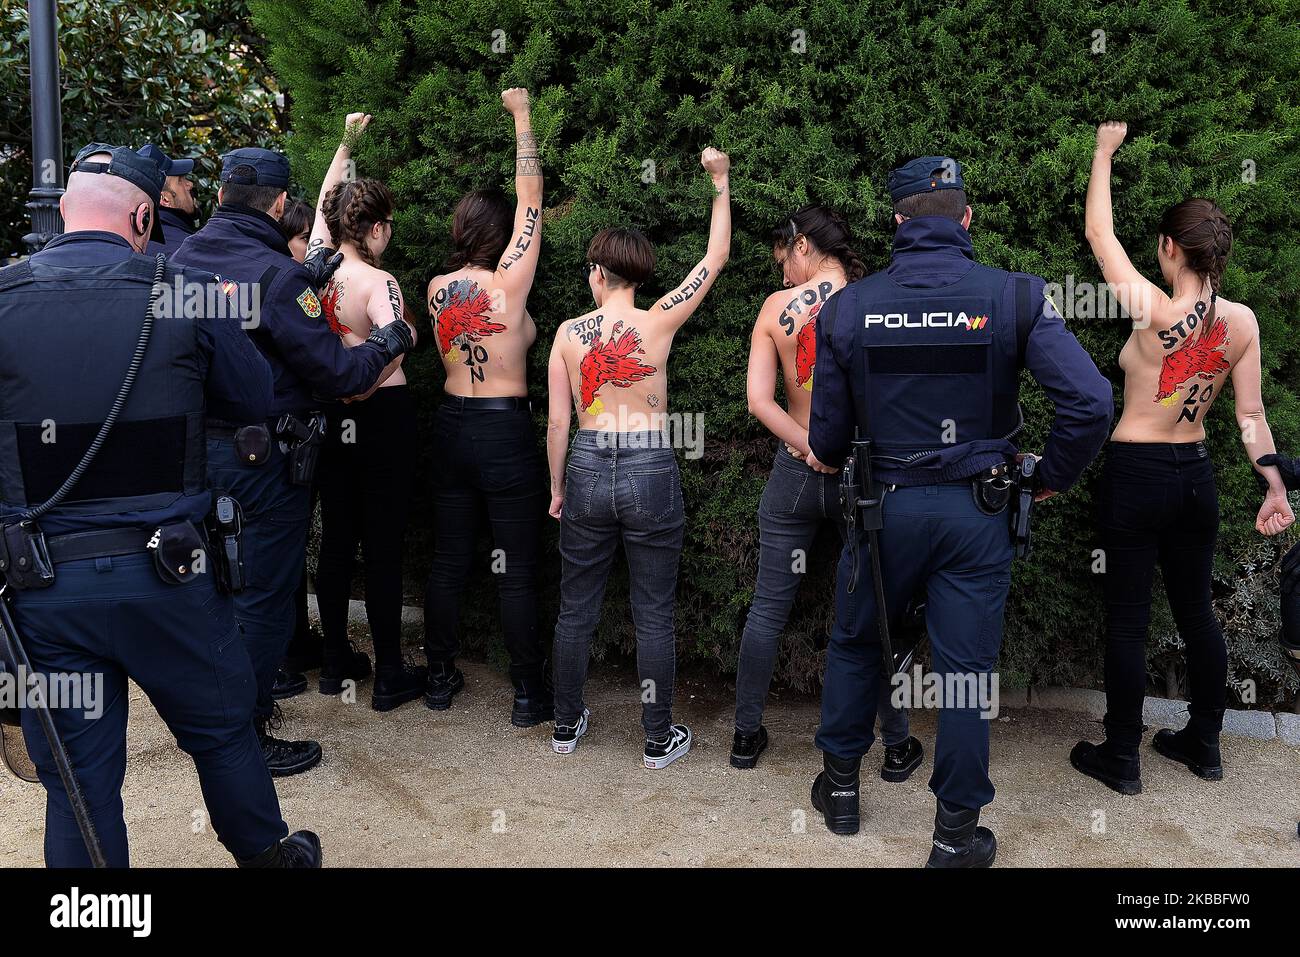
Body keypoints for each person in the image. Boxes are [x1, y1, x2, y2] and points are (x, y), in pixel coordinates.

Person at [0, 143, 318, 866]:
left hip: (45, 588)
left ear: (62, 210)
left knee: (78, 783)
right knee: (224, 733)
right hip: (168, 576)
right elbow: (253, 397)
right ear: (144, 214)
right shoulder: (181, 287)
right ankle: (271, 856)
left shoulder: (6, 298)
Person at [809, 156, 1113, 866]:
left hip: (881, 510)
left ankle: (842, 792)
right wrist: (1051, 477)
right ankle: (954, 837)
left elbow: (825, 440)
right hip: (978, 515)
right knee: (967, 671)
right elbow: (1092, 402)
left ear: (897, 222)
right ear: (967, 220)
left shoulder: (848, 308)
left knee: (858, 644)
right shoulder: (1015, 297)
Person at [171, 146, 414, 776]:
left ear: (221, 194)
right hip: (263, 461)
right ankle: (243, 737)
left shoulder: (177, 259)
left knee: (211, 587)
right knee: (262, 594)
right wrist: (394, 338)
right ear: (281, 206)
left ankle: (209, 719)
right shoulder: (277, 276)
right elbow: (338, 374)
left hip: (196, 453)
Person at [1069, 121, 1294, 794]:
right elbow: (1250, 416)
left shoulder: (1152, 310)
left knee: (1129, 618)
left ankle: (1122, 756)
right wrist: (1274, 485)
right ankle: (1204, 743)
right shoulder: (1243, 323)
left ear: (1169, 247)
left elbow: (1099, 237)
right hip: (1195, 479)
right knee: (1195, 611)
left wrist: (1103, 153)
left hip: (1136, 476)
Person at [546, 146, 732, 768]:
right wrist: (719, 181)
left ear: (598, 274)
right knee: (653, 609)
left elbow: (556, 421)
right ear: (639, 276)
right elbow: (715, 259)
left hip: (589, 461)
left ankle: (566, 726)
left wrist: (556, 489)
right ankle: (657, 736)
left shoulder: (570, 334)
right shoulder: (658, 321)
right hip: (650, 462)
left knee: (577, 606)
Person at [732, 205, 922, 779]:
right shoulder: (874, 300)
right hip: (860, 475)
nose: (783, 276)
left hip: (795, 472)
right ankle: (894, 745)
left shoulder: (774, 311)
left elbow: (760, 401)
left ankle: (745, 736)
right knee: (875, 610)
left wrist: (810, 447)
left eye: (784, 260)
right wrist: (837, 452)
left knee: (768, 607)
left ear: (806, 247)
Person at [422, 88, 552, 726]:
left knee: (449, 559)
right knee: (518, 568)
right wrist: (522, 118)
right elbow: (532, 199)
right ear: (502, 240)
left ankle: (440, 680)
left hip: (450, 427)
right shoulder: (507, 285)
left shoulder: (436, 289)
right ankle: (529, 695)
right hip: (502, 431)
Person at [310, 112, 426, 711]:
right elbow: (396, 339)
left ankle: (333, 664)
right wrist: (366, 382)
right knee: (381, 543)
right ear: (376, 228)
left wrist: (347, 140)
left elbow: (325, 204)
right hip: (381, 413)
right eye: (387, 226)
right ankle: (388, 675)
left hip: (331, 416)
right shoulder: (380, 280)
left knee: (335, 539)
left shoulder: (320, 266)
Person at [273, 196, 326, 701]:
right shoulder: (285, 285)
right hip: (281, 437)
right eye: (302, 239)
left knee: (295, 546)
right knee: (280, 549)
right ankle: (283, 655)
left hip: (300, 434)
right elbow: (325, 364)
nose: (311, 248)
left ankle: (298, 641)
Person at [138, 144, 201, 253]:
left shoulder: (128, 241)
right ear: (165, 199)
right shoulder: (188, 249)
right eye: (180, 180)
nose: (189, 184)